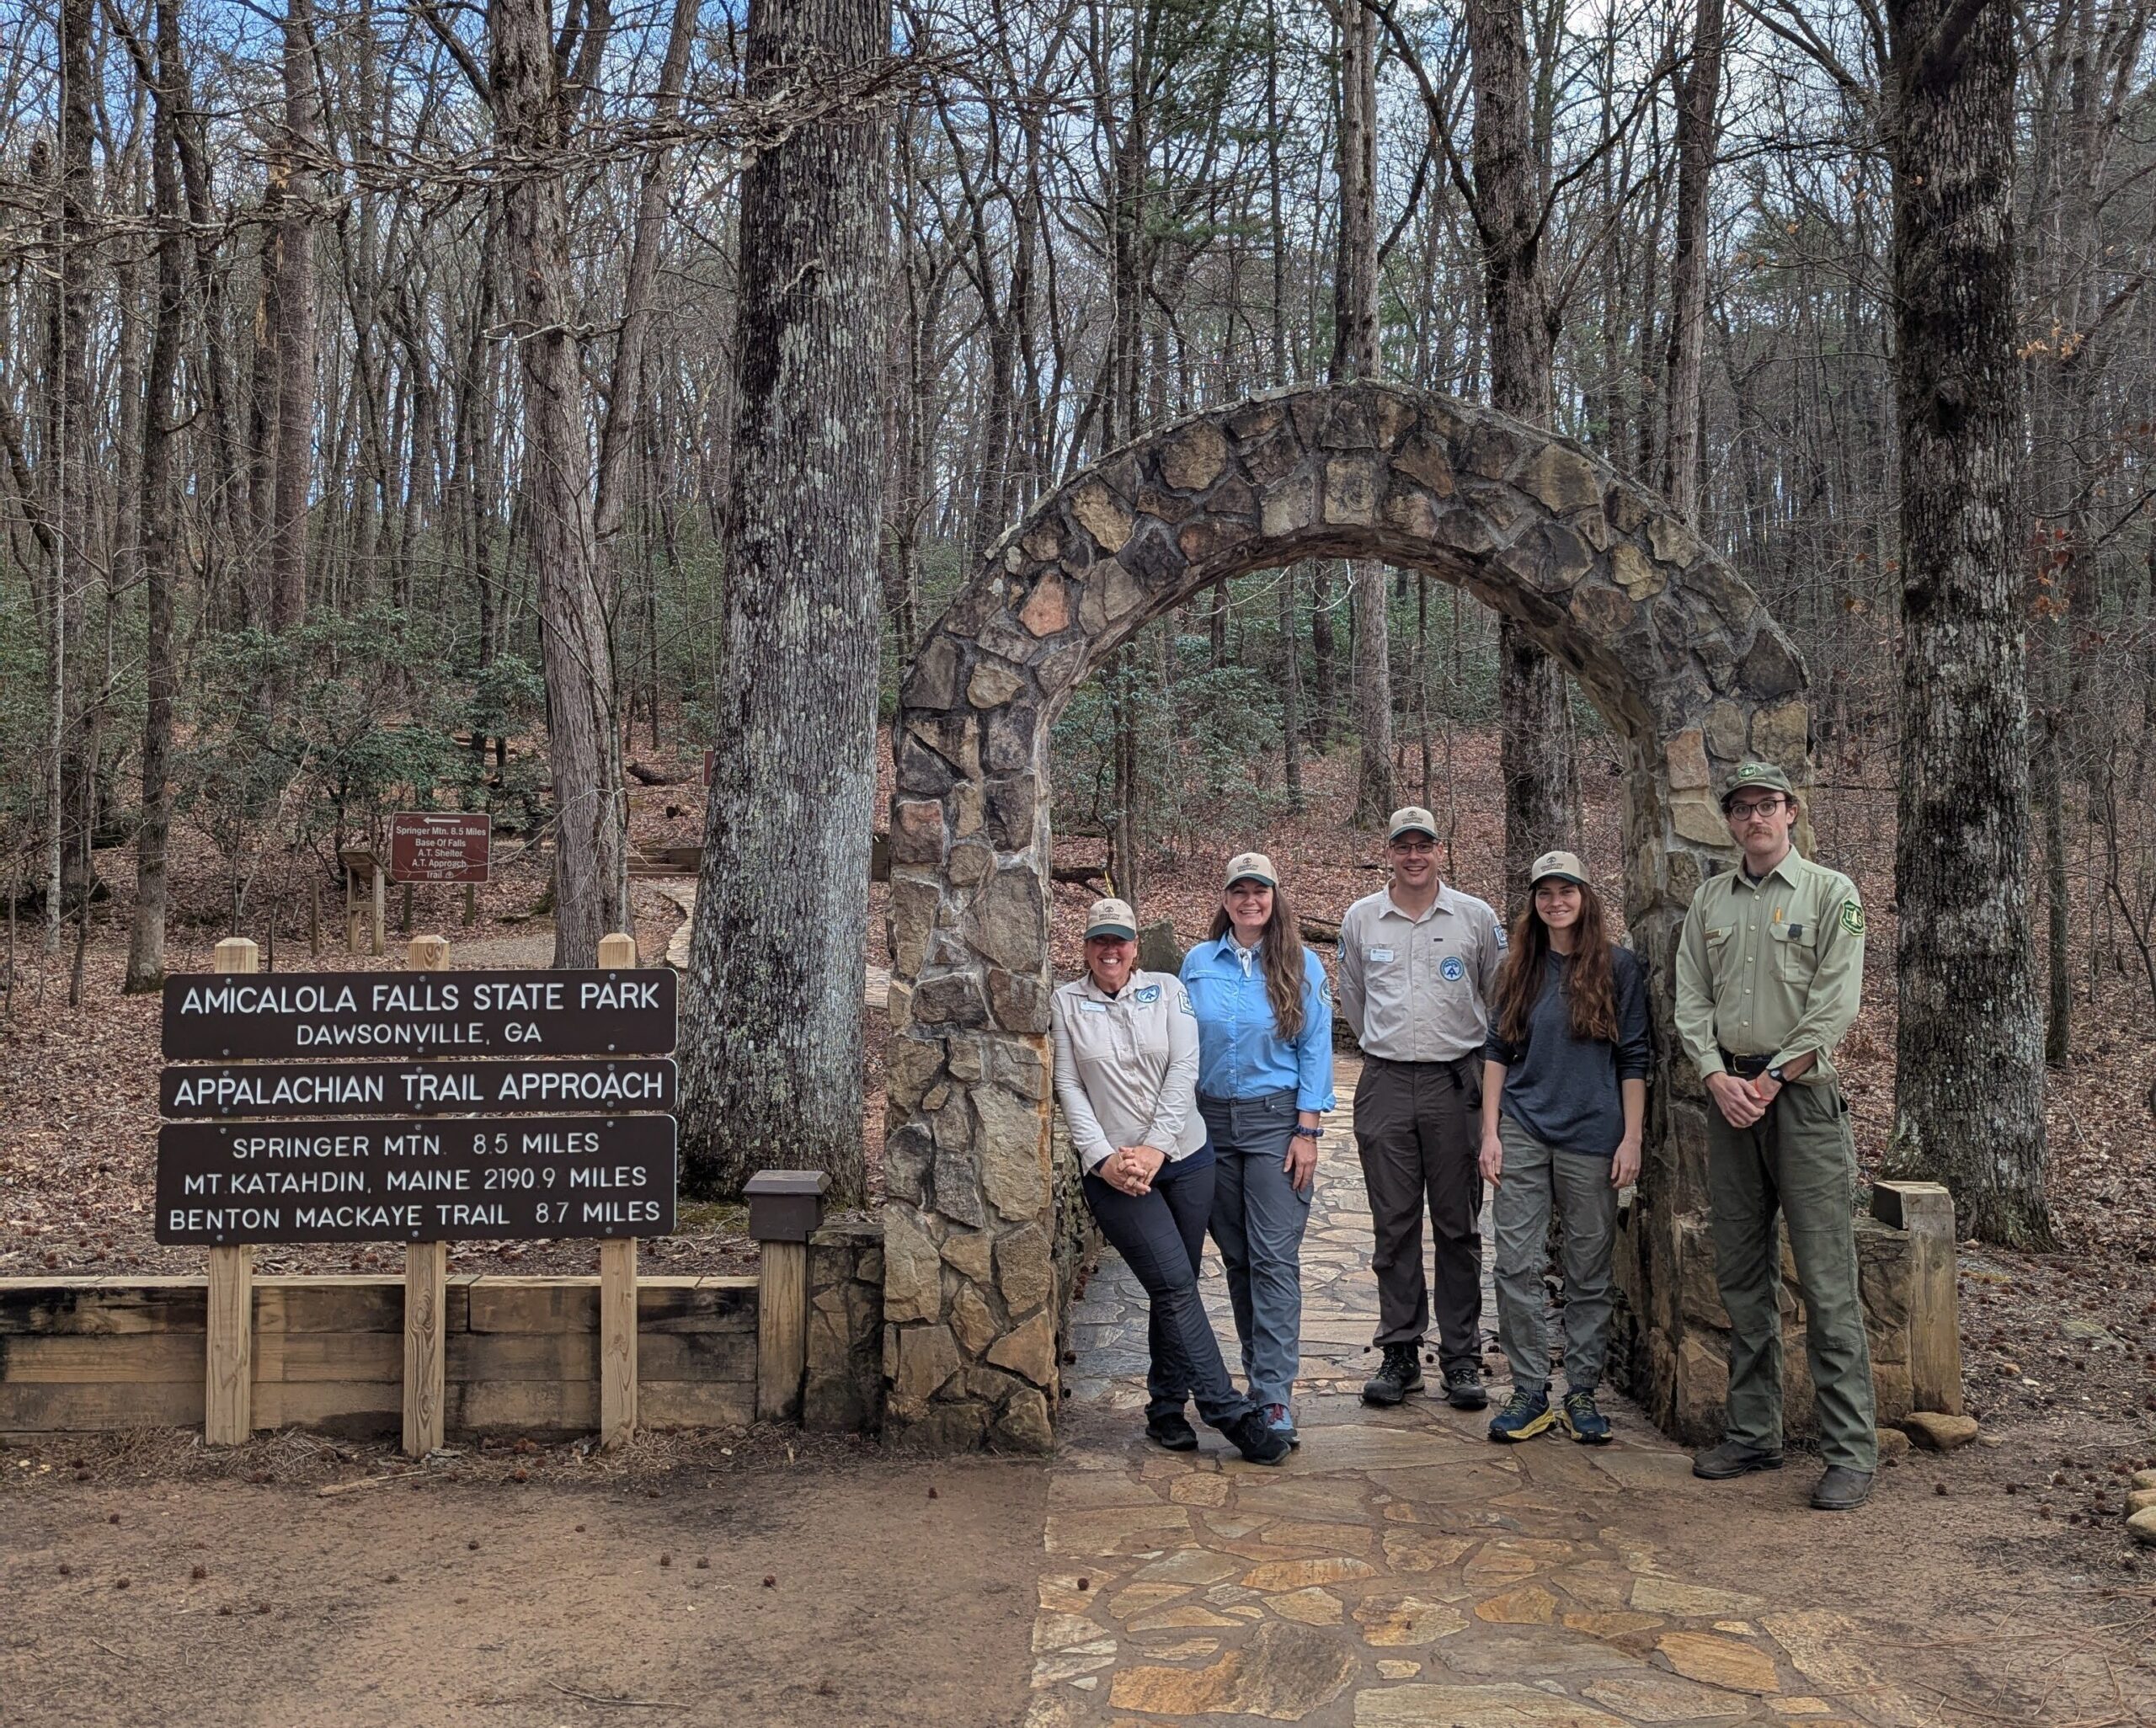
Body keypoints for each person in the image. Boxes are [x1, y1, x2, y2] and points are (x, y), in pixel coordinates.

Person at [1673, 761, 1876, 1512]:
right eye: (1742, 808)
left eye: (1768, 805)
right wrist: (1714, 1075)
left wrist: (1771, 1081)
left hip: (1803, 1104)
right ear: (1729, 822)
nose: (1755, 818)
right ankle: (1753, 1432)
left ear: (1791, 812)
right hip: (1729, 1103)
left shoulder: (1832, 894)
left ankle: (1850, 1450)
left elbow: (1835, 1002)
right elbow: (1690, 992)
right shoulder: (1710, 902)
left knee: (1825, 1279)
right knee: (1740, 1275)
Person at [1053, 898, 1292, 1465]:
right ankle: (1224, 1408)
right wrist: (1104, 1158)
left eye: (1120, 941)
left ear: (1136, 947)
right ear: (1085, 947)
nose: (1110, 951)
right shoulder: (1065, 1002)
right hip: (1114, 1173)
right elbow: (1069, 1086)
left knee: (1172, 1284)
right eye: (1099, 941)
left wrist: (1157, 1148)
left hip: (1185, 1159)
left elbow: (1185, 1070)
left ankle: (1165, 1410)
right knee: (1174, 1284)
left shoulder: (1168, 990)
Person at [1477, 851, 1650, 1446]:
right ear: (1534, 902)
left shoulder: (1618, 968)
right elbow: (1498, 1051)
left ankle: (1582, 1391)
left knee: (1589, 1273)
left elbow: (1633, 1058)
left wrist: (1632, 1136)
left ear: (1584, 897)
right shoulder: (1517, 967)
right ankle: (1529, 1391)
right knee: (1515, 1264)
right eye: (1545, 892)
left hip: (1594, 1136)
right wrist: (1491, 1132)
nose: (1556, 902)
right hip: (1524, 1129)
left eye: (1566, 891)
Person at [1336, 808, 1506, 1411]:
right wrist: (1385, 1045)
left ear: (1440, 851)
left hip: (1455, 1084)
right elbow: (1352, 998)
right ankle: (1401, 1351)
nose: (1414, 856)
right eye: (1403, 846)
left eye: (1424, 846)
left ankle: (1460, 1356)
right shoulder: (1361, 919)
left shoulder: (1476, 919)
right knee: (1394, 1223)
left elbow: (1498, 996)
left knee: (1458, 1225)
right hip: (1385, 1080)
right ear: (1389, 852)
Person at [1180, 854, 1335, 1446]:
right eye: (1239, 891)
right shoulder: (1198, 963)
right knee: (1240, 1260)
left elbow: (1317, 1047)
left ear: (1275, 898)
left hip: (1275, 1124)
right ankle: (1256, 1382)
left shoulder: (1301, 963)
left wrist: (1308, 1131)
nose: (1250, 901)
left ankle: (1274, 1397)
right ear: (1225, 899)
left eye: (1260, 891)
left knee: (1274, 1260)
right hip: (1210, 1123)